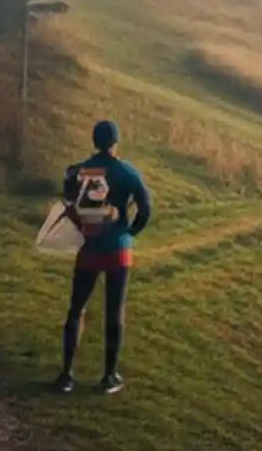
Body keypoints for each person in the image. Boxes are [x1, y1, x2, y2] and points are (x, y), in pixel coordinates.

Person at [54, 119, 152, 395]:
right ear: (115, 142)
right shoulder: (127, 171)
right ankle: (109, 377)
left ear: (94, 141)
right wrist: (131, 232)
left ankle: (66, 375)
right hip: (118, 249)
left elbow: (69, 204)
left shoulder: (80, 170)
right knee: (114, 311)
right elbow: (145, 208)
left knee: (76, 309)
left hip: (89, 247)